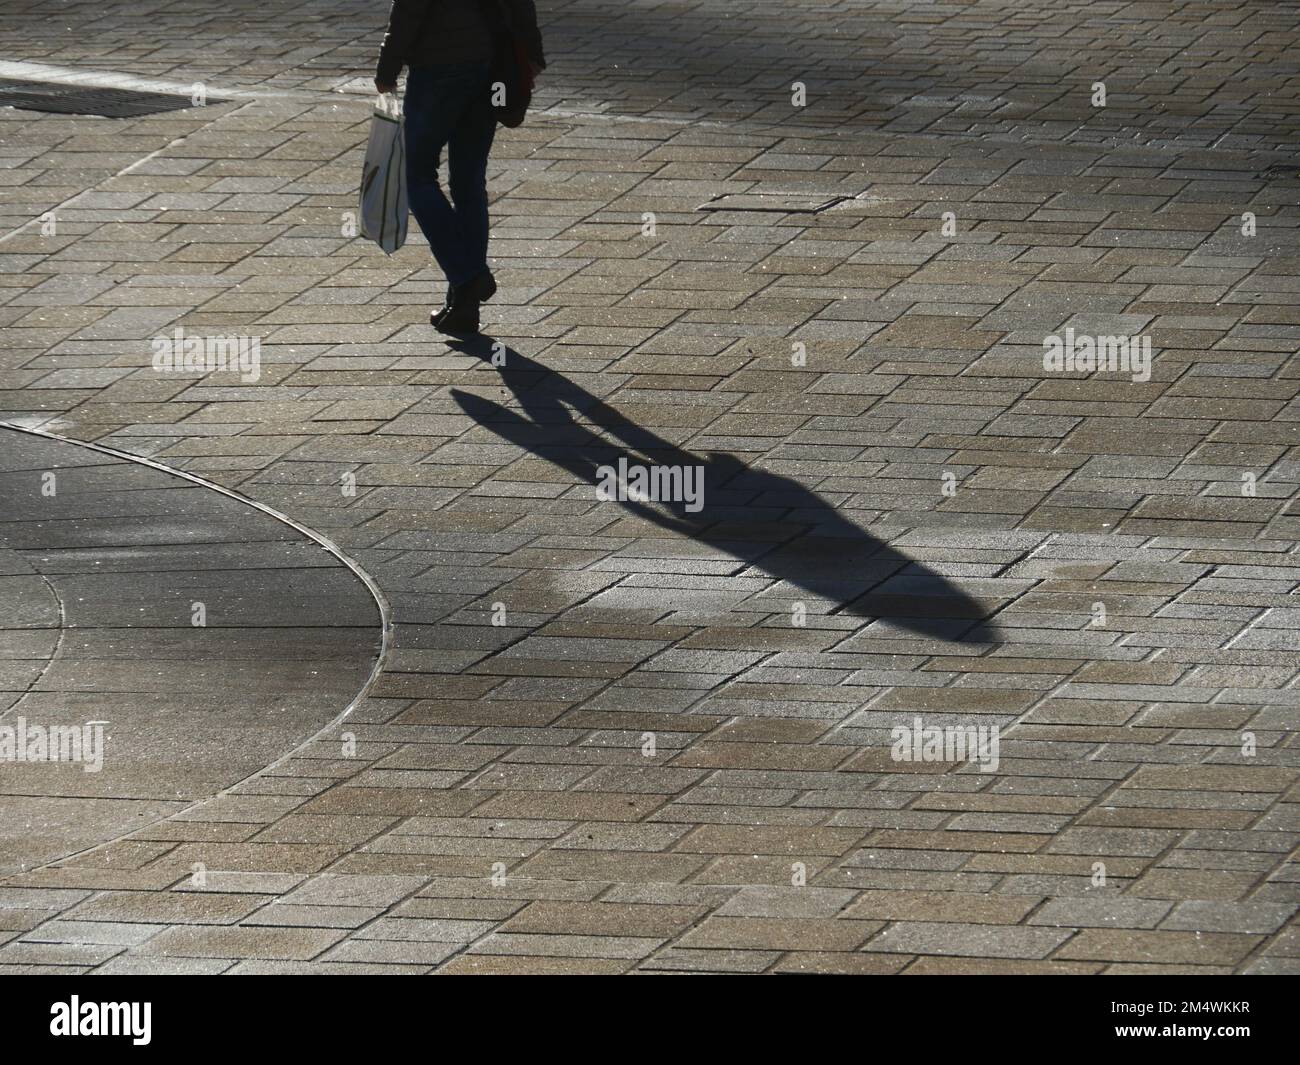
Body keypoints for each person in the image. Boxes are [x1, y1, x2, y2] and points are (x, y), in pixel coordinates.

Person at [375, 1, 545, 334]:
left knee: (415, 176)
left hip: (438, 67)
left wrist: (386, 69)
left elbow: (409, 10)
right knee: (468, 181)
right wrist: (532, 51)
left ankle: (468, 277)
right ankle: (464, 306)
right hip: (490, 64)